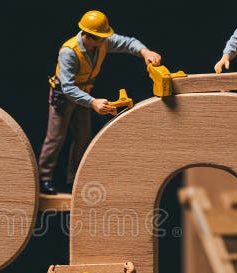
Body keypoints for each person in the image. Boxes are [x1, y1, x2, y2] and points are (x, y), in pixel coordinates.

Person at [38, 11, 161, 195]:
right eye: (101, 38)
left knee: (83, 137)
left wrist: (145, 51)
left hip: (85, 97)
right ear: (88, 37)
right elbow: (68, 88)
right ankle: (44, 178)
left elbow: (127, 42)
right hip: (64, 97)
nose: (105, 41)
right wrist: (93, 102)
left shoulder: (102, 42)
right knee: (56, 138)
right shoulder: (69, 52)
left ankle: (74, 179)